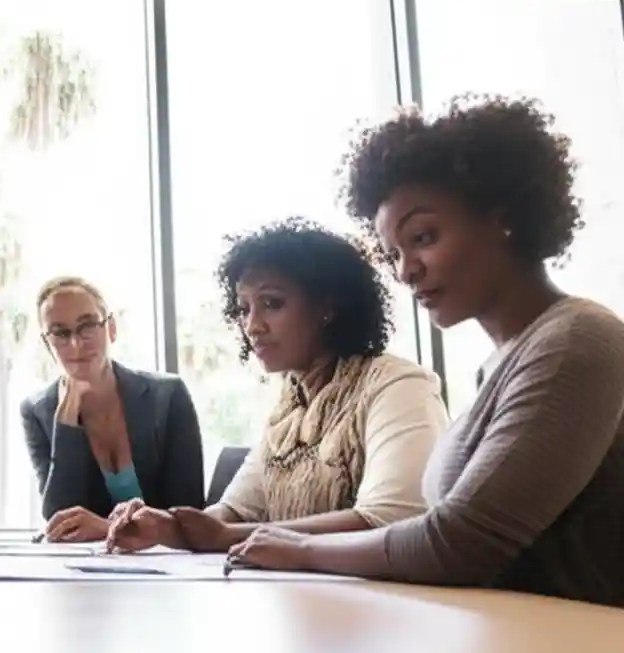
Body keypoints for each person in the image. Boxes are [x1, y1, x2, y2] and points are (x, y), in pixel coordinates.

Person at [204, 95, 624, 606]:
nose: (405, 270)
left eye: (423, 236)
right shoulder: (507, 360)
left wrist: (301, 547)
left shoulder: (577, 342)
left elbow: (457, 543)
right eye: (394, 253)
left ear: (503, 217)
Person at [109, 218, 447, 554]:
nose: (252, 326)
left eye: (272, 303)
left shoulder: (398, 386)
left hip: (387, 604)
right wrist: (163, 525)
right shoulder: (289, 405)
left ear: (327, 308)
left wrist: (227, 536)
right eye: (243, 309)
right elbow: (233, 512)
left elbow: (391, 519)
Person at [20, 276, 204, 542]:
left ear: (111, 328)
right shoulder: (37, 411)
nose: (75, 344)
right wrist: (66, 423)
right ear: (47, 343)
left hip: (169, 566)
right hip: (89, 573)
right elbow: (60, 520)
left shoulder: (167, 396)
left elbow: (189, 513)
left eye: (87, 326)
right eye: (60, 333)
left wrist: (107, 528)